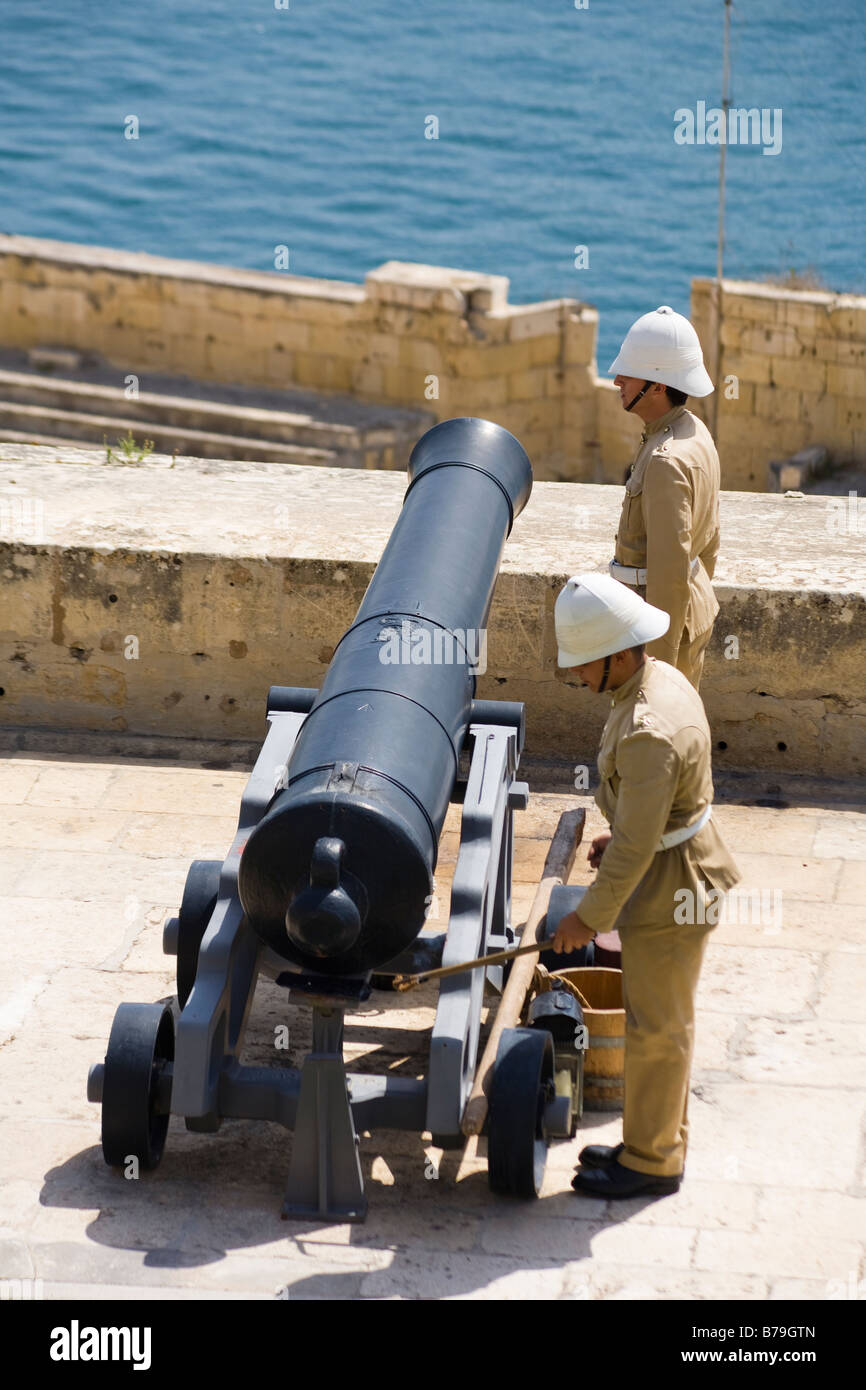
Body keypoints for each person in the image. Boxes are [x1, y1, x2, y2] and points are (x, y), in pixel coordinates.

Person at [550, 573, 740, 1198]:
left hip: (674, 891)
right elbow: (647, 820)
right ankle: (652, 1141)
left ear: (619, 653)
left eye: (584, 664)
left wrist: (585, 918)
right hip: (676, 865)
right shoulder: (656, 682)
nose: (577, 677)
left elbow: (636, 844)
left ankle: (654, 1163)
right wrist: (631, 836)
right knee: (660, 1023)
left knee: (657, 1030)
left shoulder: (647, 728)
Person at [608, 305, 721, 689]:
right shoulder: (694, 432)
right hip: (687, 615)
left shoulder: (665, 460)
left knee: (656, 733)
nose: (616, 380)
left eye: (629, 374)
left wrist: (657, 669)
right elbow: (710, 541)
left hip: (658, 629)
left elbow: (669, 575)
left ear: (657, 386)